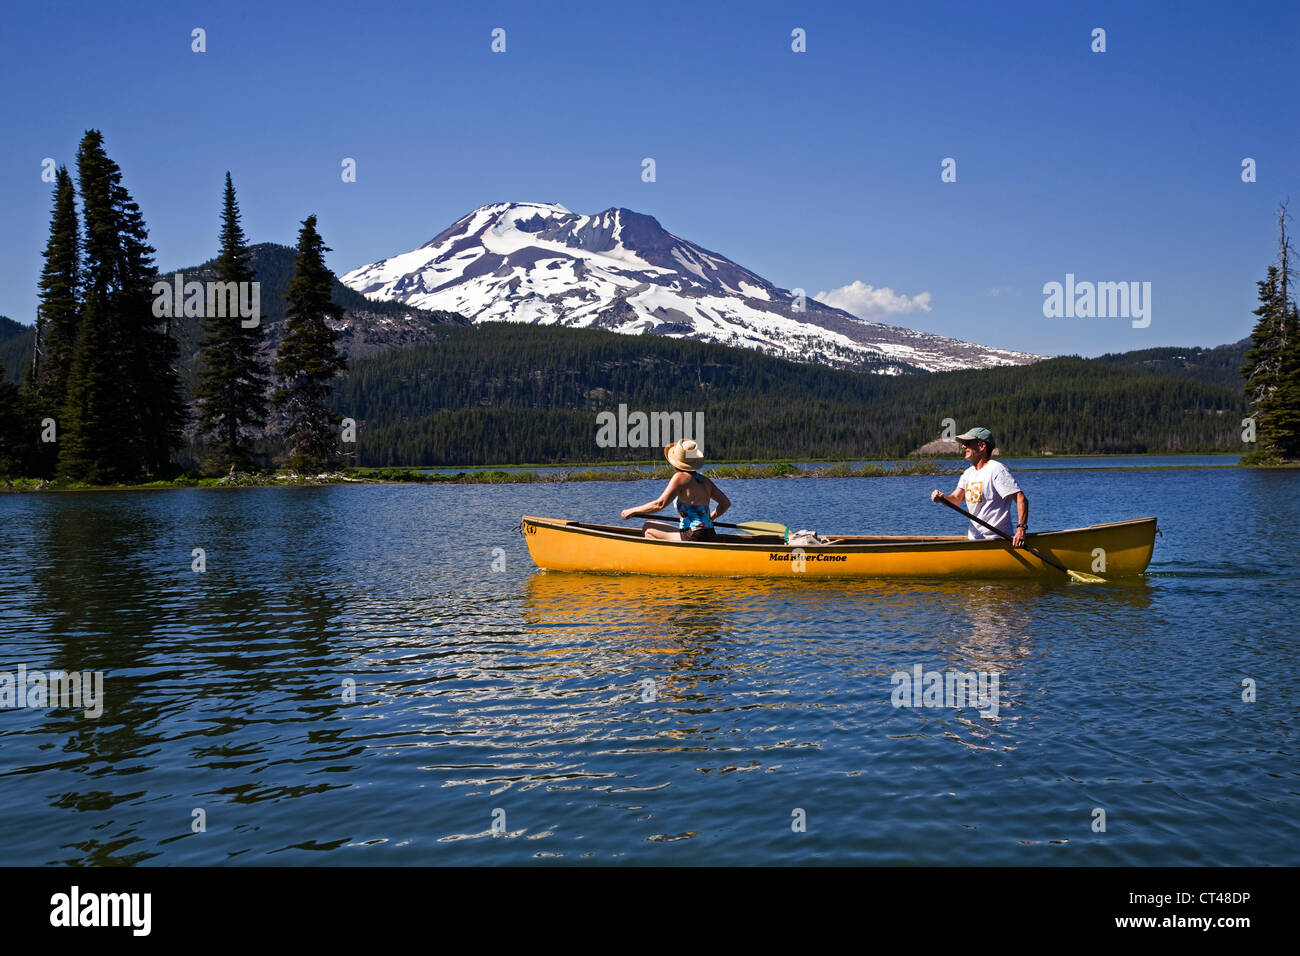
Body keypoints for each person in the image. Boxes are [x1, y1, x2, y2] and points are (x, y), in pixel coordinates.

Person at [929, 427, 1028, 547]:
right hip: (975, 540)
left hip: (998, 540)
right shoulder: (968, 473)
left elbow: (1020, 498)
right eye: (963, 443)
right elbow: (955, 499)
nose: (963, 446)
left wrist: (1021, 529)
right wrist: (942, 498)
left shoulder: (996, 469)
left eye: (967, 443)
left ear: (982, 446)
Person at [621, 439, 731, 541]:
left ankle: (666, 560)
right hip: (710, 534)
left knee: (648, 527)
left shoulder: (680, 477)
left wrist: (632, 511)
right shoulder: (705, 481)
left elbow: (659, 504)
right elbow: (725, 503)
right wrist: (710, 518)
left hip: (693, 535)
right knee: (652, 526)